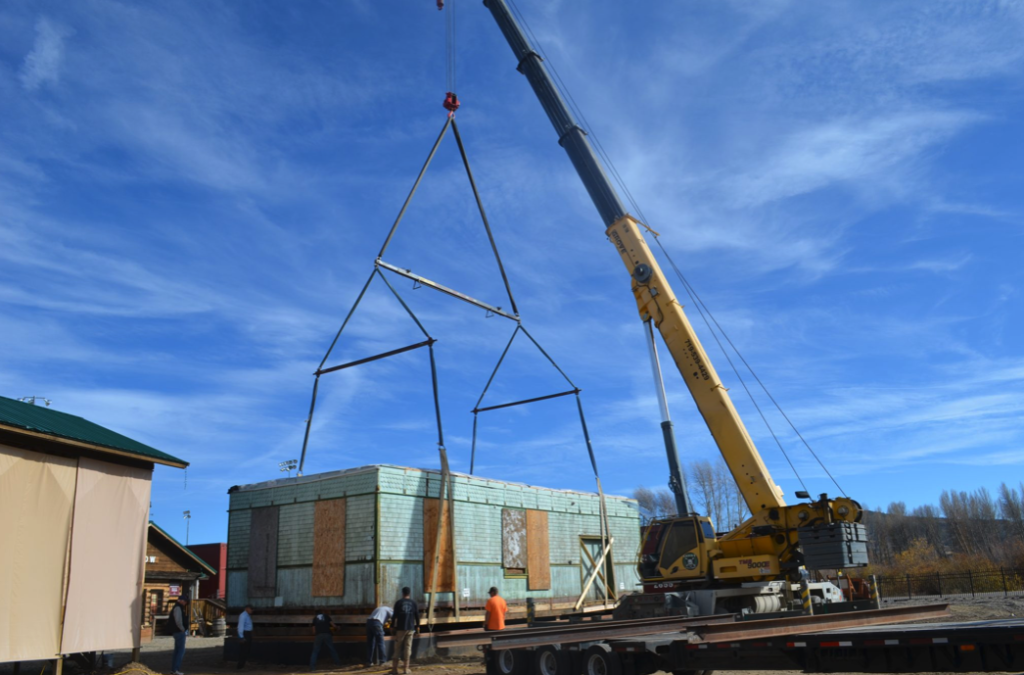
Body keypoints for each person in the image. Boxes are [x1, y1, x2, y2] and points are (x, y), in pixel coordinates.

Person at [391, 587, 419, 675]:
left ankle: (394, 669)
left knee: (397, 648)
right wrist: (418, 626)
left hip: (400, 629)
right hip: (410, 628)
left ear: (402, 593)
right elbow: (417, 615)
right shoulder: (413, 603)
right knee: (408, 648)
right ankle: (406, 669)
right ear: (409, 593)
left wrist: (392, 626)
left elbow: (394, 616)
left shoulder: (398, 603)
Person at [169, 595, 189, 675]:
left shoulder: (177, 607)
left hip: (176, 631)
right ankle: (175, 669)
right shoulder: (178, 608)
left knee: (177, 651)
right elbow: (178, 620)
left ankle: (174, 669)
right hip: (179, 631)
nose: (185, 603)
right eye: (184, 601)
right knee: (180, 651)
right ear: (180, 600)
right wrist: (182, 629)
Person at [237, 604, 254, 669]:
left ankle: (242, 665)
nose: (252, 610)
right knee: (244, 650)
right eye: (251, 609)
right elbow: (240, 626)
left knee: (246, 650)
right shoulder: (243, 616)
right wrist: (241, 637)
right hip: (245, 634)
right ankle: (240, 666)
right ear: (247, 608)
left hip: (248, 633)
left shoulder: (247, 615)